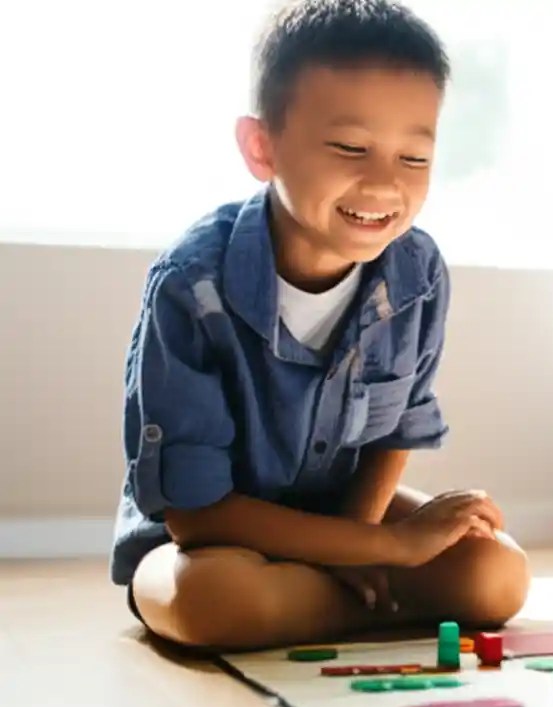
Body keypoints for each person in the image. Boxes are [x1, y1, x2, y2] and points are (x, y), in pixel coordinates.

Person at [110, 0, 529, 651]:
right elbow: (196, 517)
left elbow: (396, 427)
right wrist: (383, 546)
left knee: (498, 576)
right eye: (351, 148)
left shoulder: (416, 271)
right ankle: (366, 606)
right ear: (262, 146)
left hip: (345, 517)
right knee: (210, 600)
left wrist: (358, 537)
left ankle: (323, 598)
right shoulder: (194, 286)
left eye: (413, 159)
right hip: (219, 541)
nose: (385, 185)